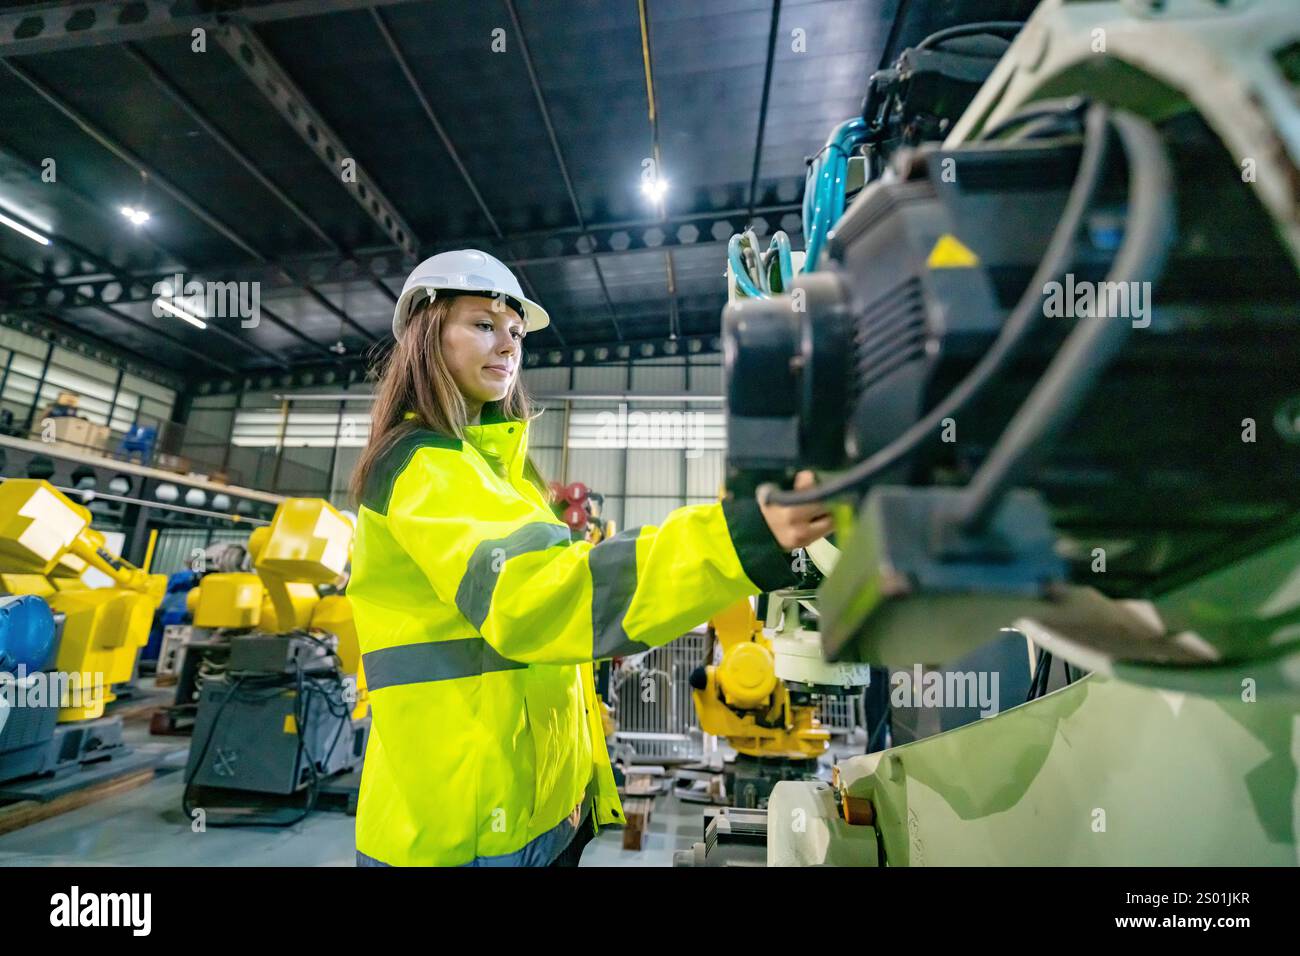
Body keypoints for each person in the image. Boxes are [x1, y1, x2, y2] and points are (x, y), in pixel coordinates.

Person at [348, 249, 832, 867]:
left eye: (516, 333)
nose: (507, 347)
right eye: (483, 325)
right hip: (458, 836)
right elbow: (540, 599)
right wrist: (740, 538)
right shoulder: (419, 466)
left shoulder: (502, 476)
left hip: (538, 813)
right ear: (425, 332)